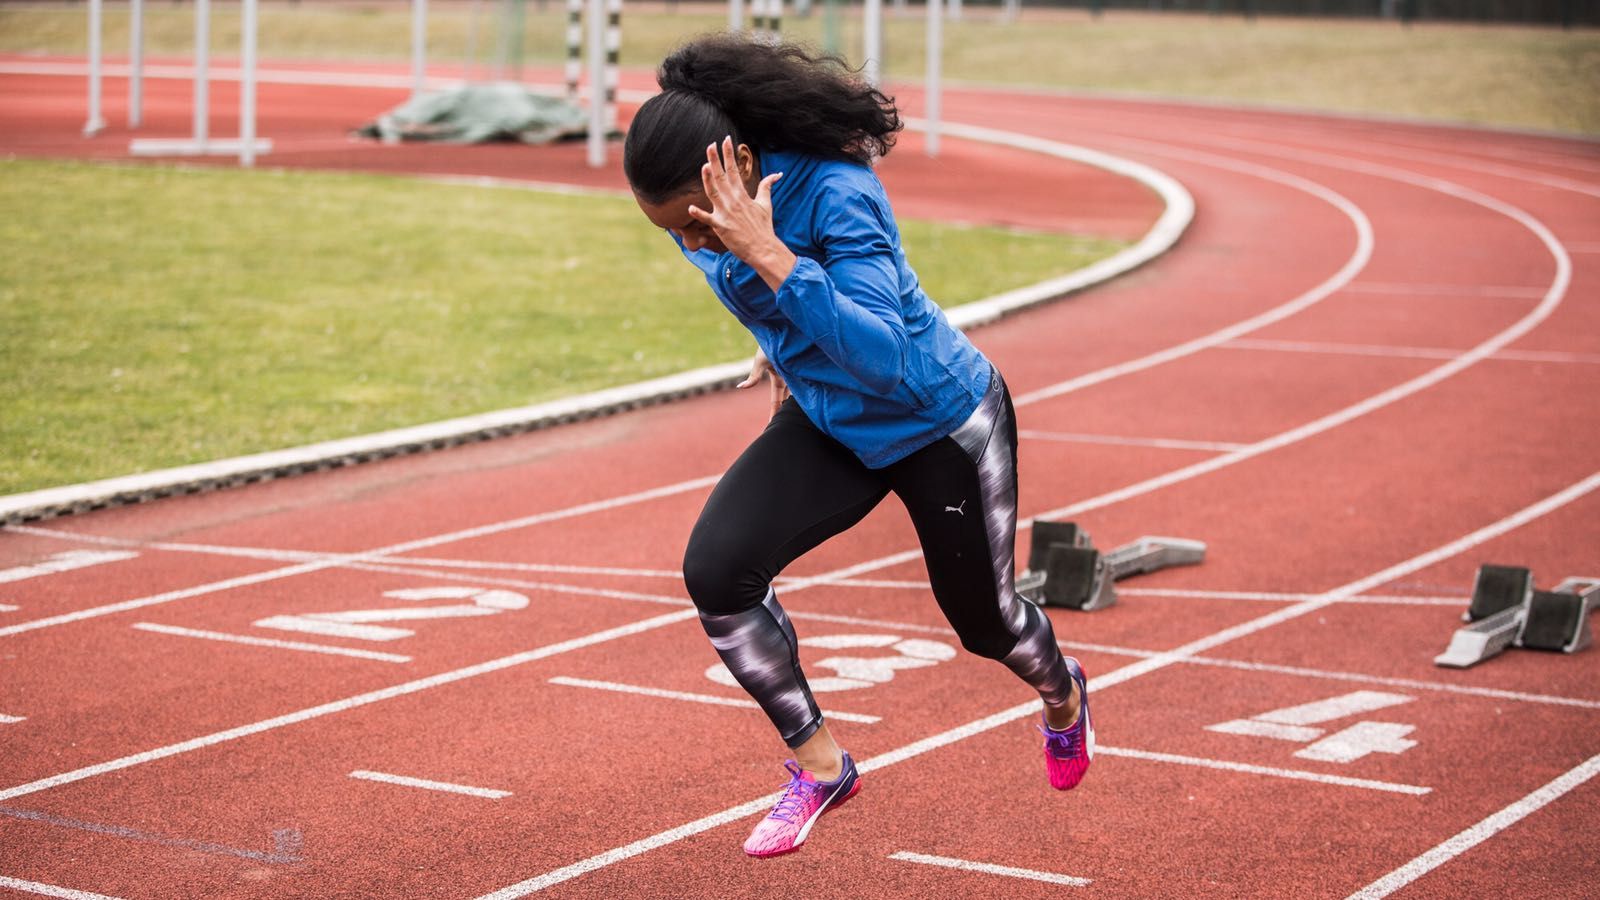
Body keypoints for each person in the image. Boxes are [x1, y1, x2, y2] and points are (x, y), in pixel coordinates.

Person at [623, 34, 1093, 859]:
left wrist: (767, 252)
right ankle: (821, 767)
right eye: (674, 234)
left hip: (937, 419)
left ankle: (1064, 693)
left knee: (985, 626)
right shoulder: (699, 209)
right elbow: (750, 292)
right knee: (718, 573)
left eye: (698, 228)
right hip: (830, 417)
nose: (693, 246)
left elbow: (886, 358)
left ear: (736, 168)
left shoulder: (839, 192)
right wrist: (775, 343)